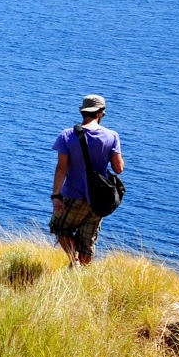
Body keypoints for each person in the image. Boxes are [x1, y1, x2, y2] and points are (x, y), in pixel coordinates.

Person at [49, 94, 124, 266]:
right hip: (99, 201)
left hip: (73, 196)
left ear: (83, 112)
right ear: (100, 113)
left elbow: (61, 169)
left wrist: (56, 196)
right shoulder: (112, 136)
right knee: (88, 242)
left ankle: (73, 262)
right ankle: (80, 273)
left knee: (59, 227)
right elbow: (119, 169)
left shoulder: (67, 135)